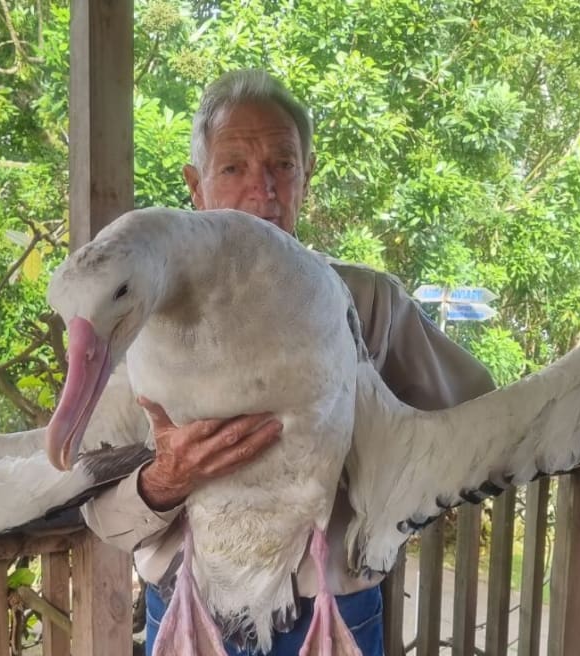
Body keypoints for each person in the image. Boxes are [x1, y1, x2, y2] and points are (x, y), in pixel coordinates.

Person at [82, 69, 496, 655]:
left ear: (306, 177)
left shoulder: (365, 303)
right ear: (195, 186)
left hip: (331, 616)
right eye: (234, 168)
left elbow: (474, 411)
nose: (264, 189)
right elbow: (96, 502)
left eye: (283, 164)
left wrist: (384, 465)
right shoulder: (144, 315)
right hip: (186, 610)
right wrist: (163, 481)